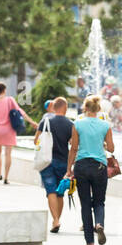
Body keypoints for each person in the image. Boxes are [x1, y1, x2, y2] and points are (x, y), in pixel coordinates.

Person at [66, 95, 114, 245]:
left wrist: (69, 169)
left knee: (85, 203)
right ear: (99, 109)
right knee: (99, 201)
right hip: (99, 166)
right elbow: (112, 149)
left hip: (82, 166)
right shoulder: (105, 125)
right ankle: (99, 224)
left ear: (85, 108)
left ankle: (89, 241)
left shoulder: (77, 124)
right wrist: (103, 144)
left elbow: (73, 148)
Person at [0, 81, 37, 184]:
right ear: (4, 90)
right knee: (8, 154)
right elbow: (20, 111)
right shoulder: (9, 100)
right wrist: (31, 122)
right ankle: (6, 178)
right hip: (9, 129)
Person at [36, 97, 74, 233]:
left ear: (54, 107)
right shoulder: (70, 124)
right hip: (63, 162)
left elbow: (36, 140)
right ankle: (57, 220)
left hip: (47, 162)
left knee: (50, 191)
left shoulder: (45, 121)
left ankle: (55, 220)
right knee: (59, 193)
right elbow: (73, 144)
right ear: (64, 108)